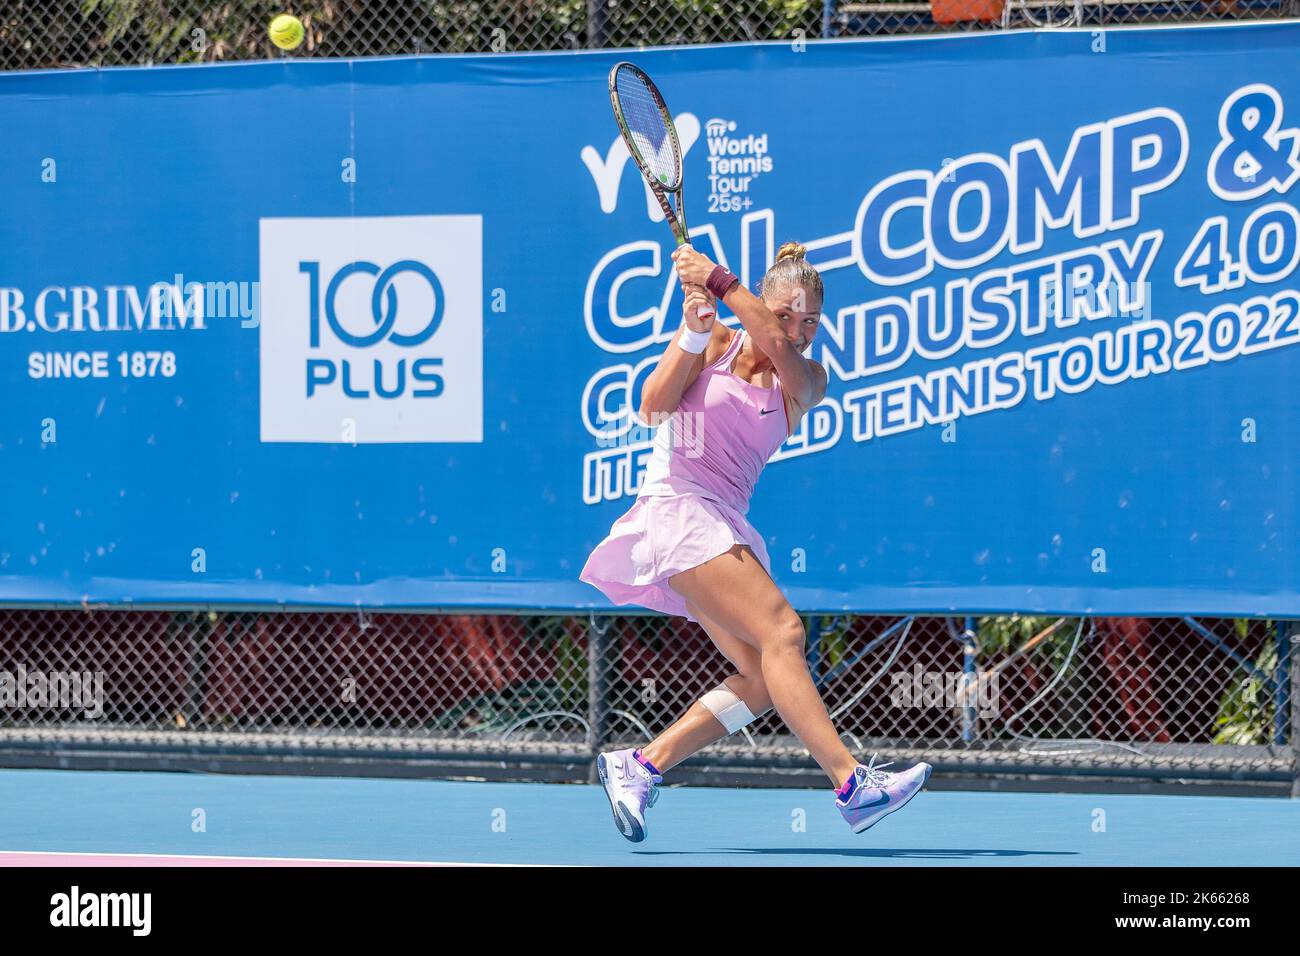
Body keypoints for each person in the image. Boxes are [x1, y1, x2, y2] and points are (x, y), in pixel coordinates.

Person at [580, 242, 931, 842]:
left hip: (724, 522)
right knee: (785, 632)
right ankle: (851, 784)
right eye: (786, 316)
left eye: (810, 321)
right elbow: (648, 410)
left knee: (765, 679)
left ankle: (638, 766)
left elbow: (771, 342)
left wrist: (719, 280)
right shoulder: (716, 343)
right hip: (678, 509)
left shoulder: (807, 379)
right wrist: (692, 335)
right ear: (765, 307)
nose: (797, 331)